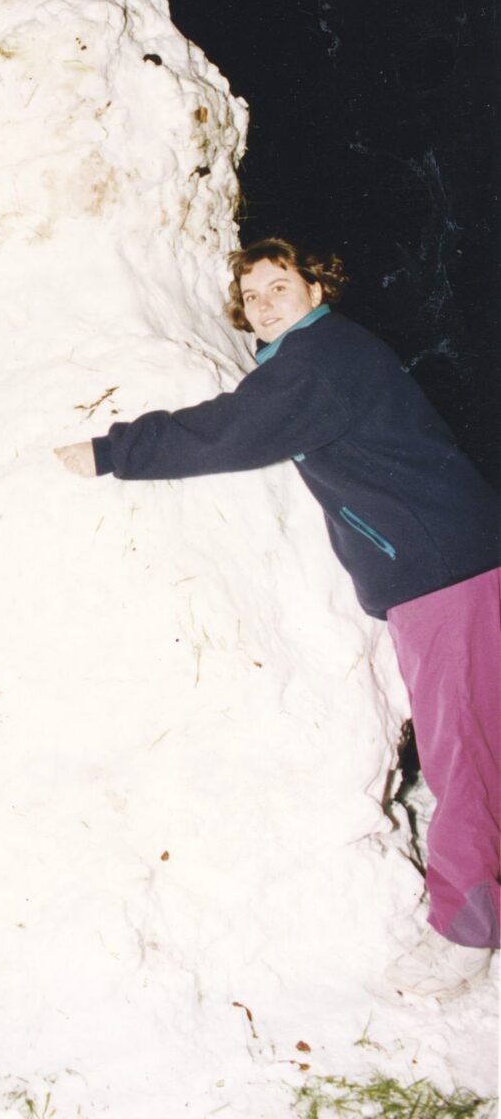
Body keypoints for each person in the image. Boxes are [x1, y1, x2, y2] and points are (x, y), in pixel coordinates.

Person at [56, 238, 499, 997]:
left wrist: (111, 451)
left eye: (279, 285)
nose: (264, 302)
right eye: (251, 294)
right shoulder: (323, 354)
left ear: (315, 284)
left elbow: (231, 429)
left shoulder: (321, 358)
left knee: (463, 753)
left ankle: (464, 934)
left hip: (441, 572)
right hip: (453, 560)